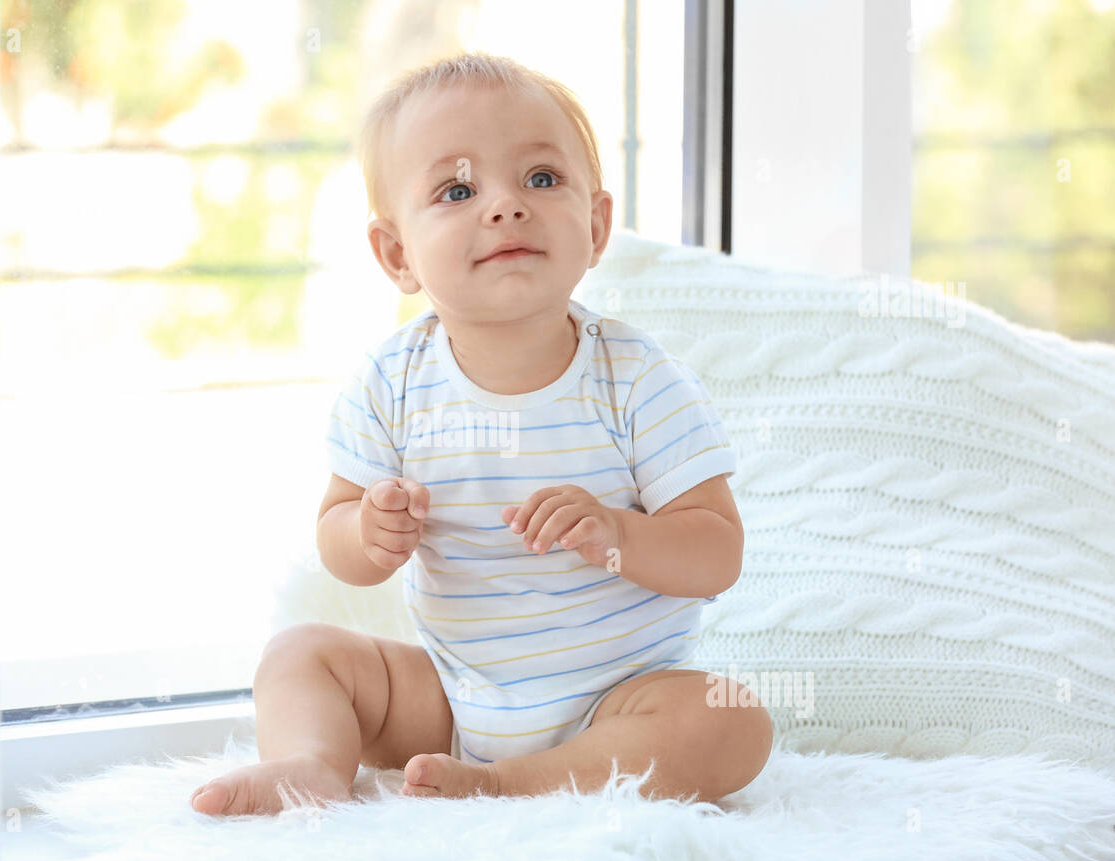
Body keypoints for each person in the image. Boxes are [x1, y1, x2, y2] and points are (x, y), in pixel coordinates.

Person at [190, 51, 772, 817]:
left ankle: (510, 784)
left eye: (540, 179)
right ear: (397, 254)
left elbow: (716, 552)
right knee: (300, 655)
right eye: (458, 190)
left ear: (596, 225)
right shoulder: (392, 383)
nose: (505, 207)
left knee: (732, 719)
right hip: (454, 698)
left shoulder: (637, 379)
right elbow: (336, 534)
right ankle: (311, 765)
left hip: (619, 705)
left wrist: (617, 534)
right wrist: (369, 531)